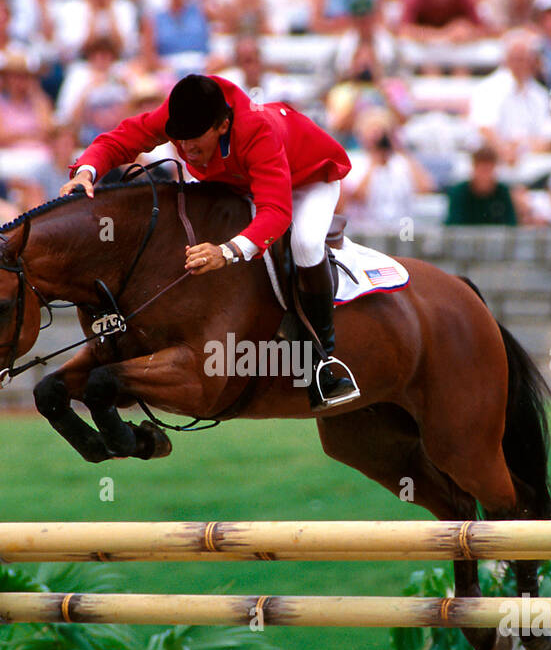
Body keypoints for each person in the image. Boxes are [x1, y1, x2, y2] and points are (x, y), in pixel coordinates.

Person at [58, 73, 360, 410]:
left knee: (304, 244)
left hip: (306, 179)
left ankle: (321, 361)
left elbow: (275, 211)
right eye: (180, 141)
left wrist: (227, 252)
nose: (186, 150)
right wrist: (87, 171)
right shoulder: (184, 113)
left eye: (195, 141)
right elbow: (122, 139)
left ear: (222, 125)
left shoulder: (257, 130)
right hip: (242, 181)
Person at [466, 29, 551, 162]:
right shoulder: (488, 88)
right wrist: (505, 150)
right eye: (517, 58)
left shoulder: (540, 94)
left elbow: (548, 135)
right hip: (494, 162)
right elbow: (484, 127)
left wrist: (522, 148)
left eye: (526, 58)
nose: (522, 64)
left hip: (531, 161)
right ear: (506, 59)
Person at [340, 109, 433, 227]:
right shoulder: (353, 160)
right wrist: (375, 162)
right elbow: (358, 197)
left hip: (401, 229)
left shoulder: (401, 161)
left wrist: (400, 149)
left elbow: (426, 188)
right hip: (366, 230)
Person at [444, 144, 517, 225]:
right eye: (481, 169)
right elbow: (452, 226)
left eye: (488, 170)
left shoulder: (503, 192)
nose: (484, 175)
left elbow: (511, 225)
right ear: (474, 168)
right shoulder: (458, 192)